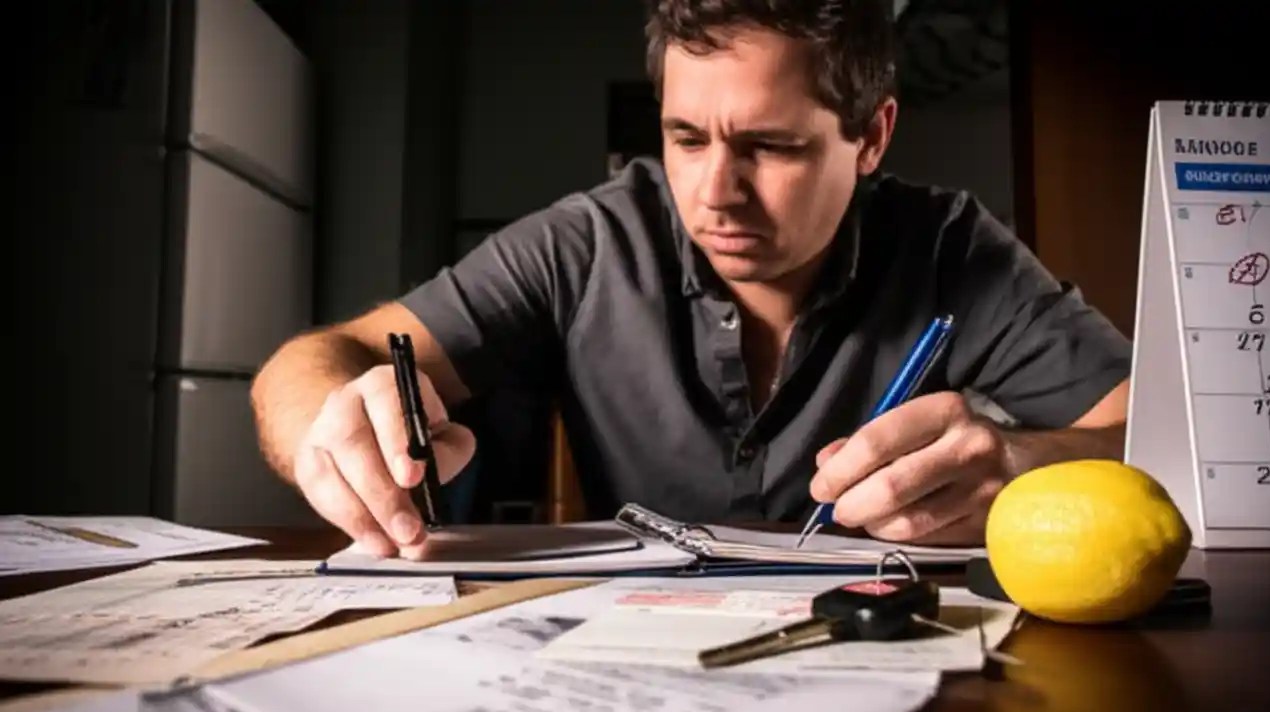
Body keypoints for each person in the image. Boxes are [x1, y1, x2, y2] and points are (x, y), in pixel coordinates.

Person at [250, 0, 1132, 560]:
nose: (715, 194)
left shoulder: (949, 248)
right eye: (685, 137)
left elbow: (1157, 430)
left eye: (771, 146)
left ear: (871, 136)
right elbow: (324, 358)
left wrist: (1021, 460)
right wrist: (335, 428)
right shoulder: (590, 240)